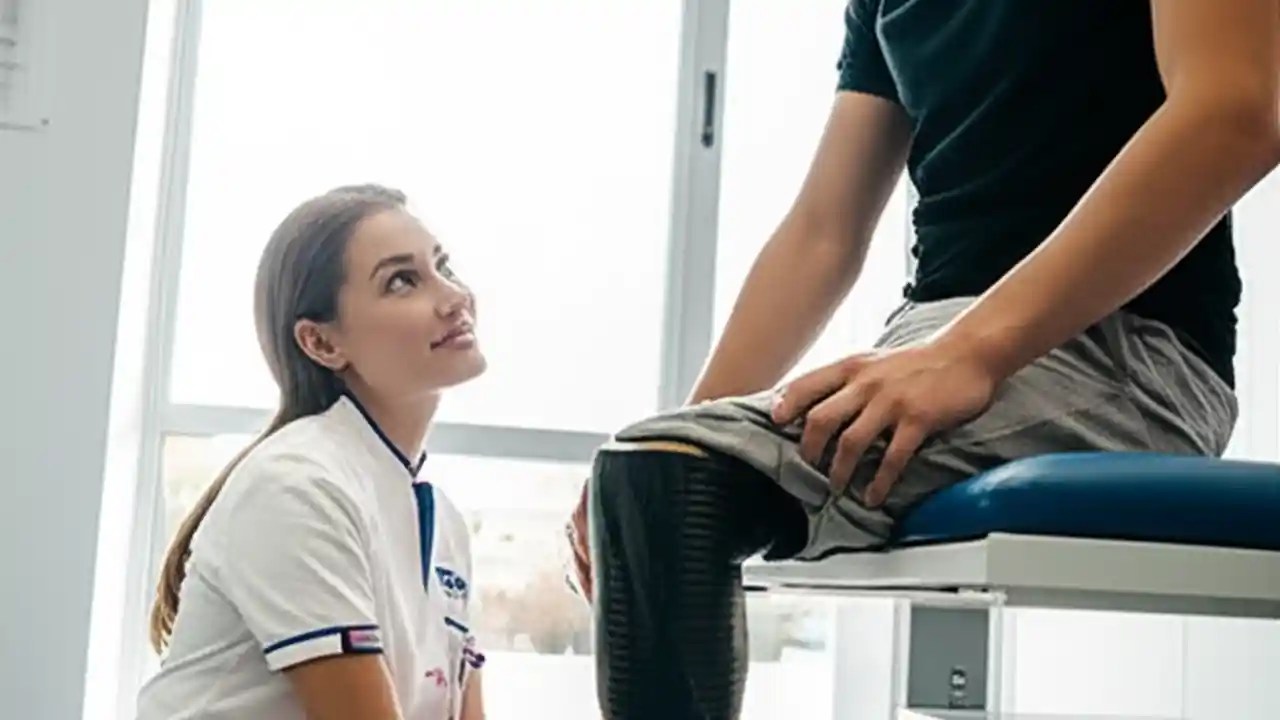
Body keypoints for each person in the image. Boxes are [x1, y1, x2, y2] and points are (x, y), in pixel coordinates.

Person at [567, 2, 1280, 718]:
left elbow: (1235, 111)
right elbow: (823, 233)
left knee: (674, 480)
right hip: (939, 342)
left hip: (1120, 349)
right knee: (658, 473)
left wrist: (970, 353)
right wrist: (677, 440)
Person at [136, 185, 488, 720]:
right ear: (322, 343)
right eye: (402, 281)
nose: (454, 296)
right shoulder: (296, 485)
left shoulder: (446, 528)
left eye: (442, 266)